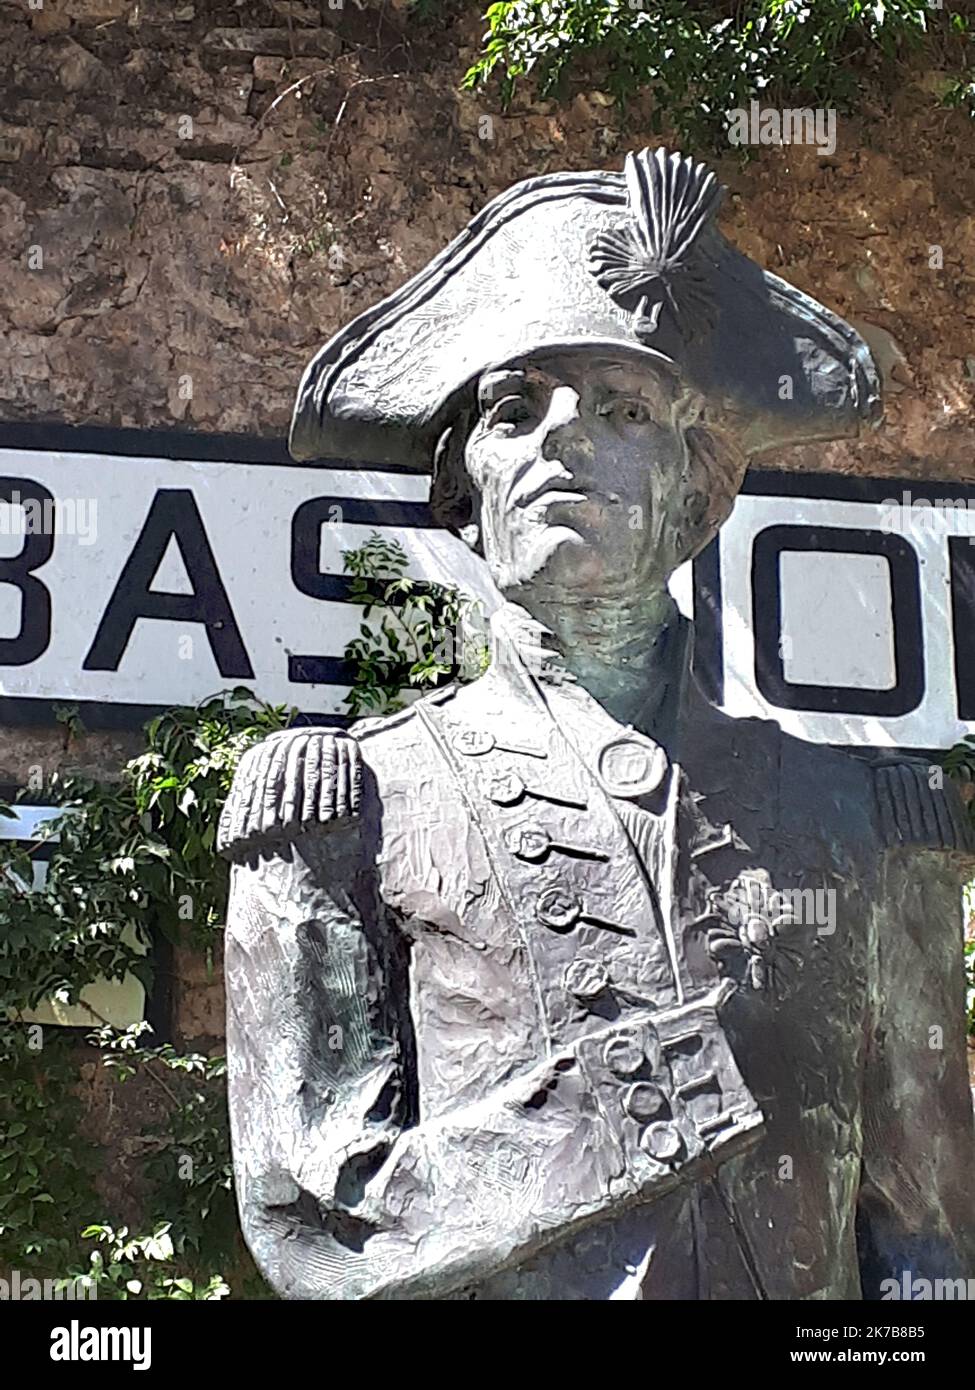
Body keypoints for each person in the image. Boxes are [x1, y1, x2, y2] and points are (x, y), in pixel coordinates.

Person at [219, 149, 975, 1300]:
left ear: (696, 488)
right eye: (516, 410)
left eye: (623, 410)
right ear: (464, 492)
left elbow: (927, 1238)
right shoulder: (350, 807)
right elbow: (319, 1216)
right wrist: (651, 1098)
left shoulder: (863, 820)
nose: (564, 438)